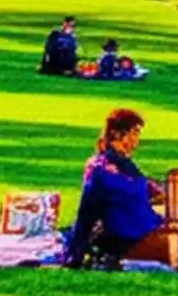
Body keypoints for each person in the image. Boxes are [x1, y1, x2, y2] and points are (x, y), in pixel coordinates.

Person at [65, 109, 167, 268]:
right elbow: (87, 212)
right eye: (133, 133)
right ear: (116, 134)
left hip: (143, 228)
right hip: (136, 236)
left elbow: (149, 190)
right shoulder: (101, 169)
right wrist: (76, 252)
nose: (136, 140)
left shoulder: (122, 165)